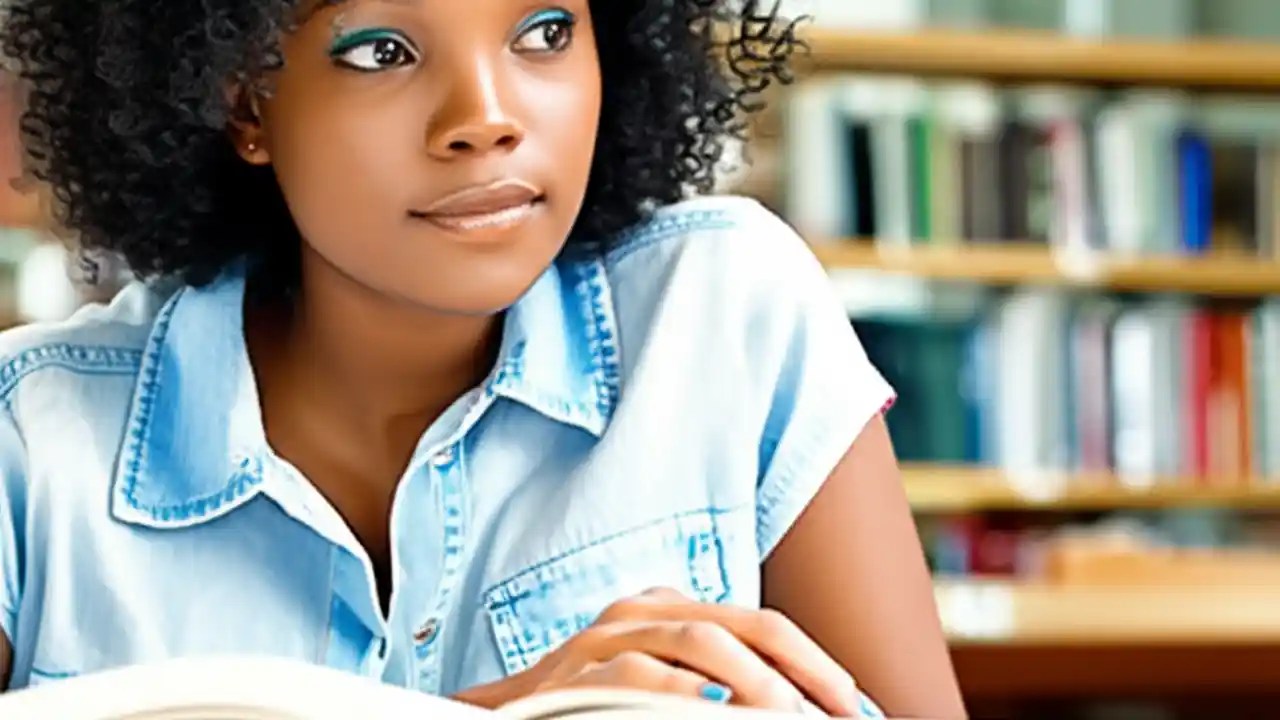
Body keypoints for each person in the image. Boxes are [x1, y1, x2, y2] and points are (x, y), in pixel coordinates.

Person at [0, 0, 965, 717]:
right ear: (245, 104)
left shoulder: (724, 313)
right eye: (381, 52)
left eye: (545, 30)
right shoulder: (31, 449)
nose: (487, 114)